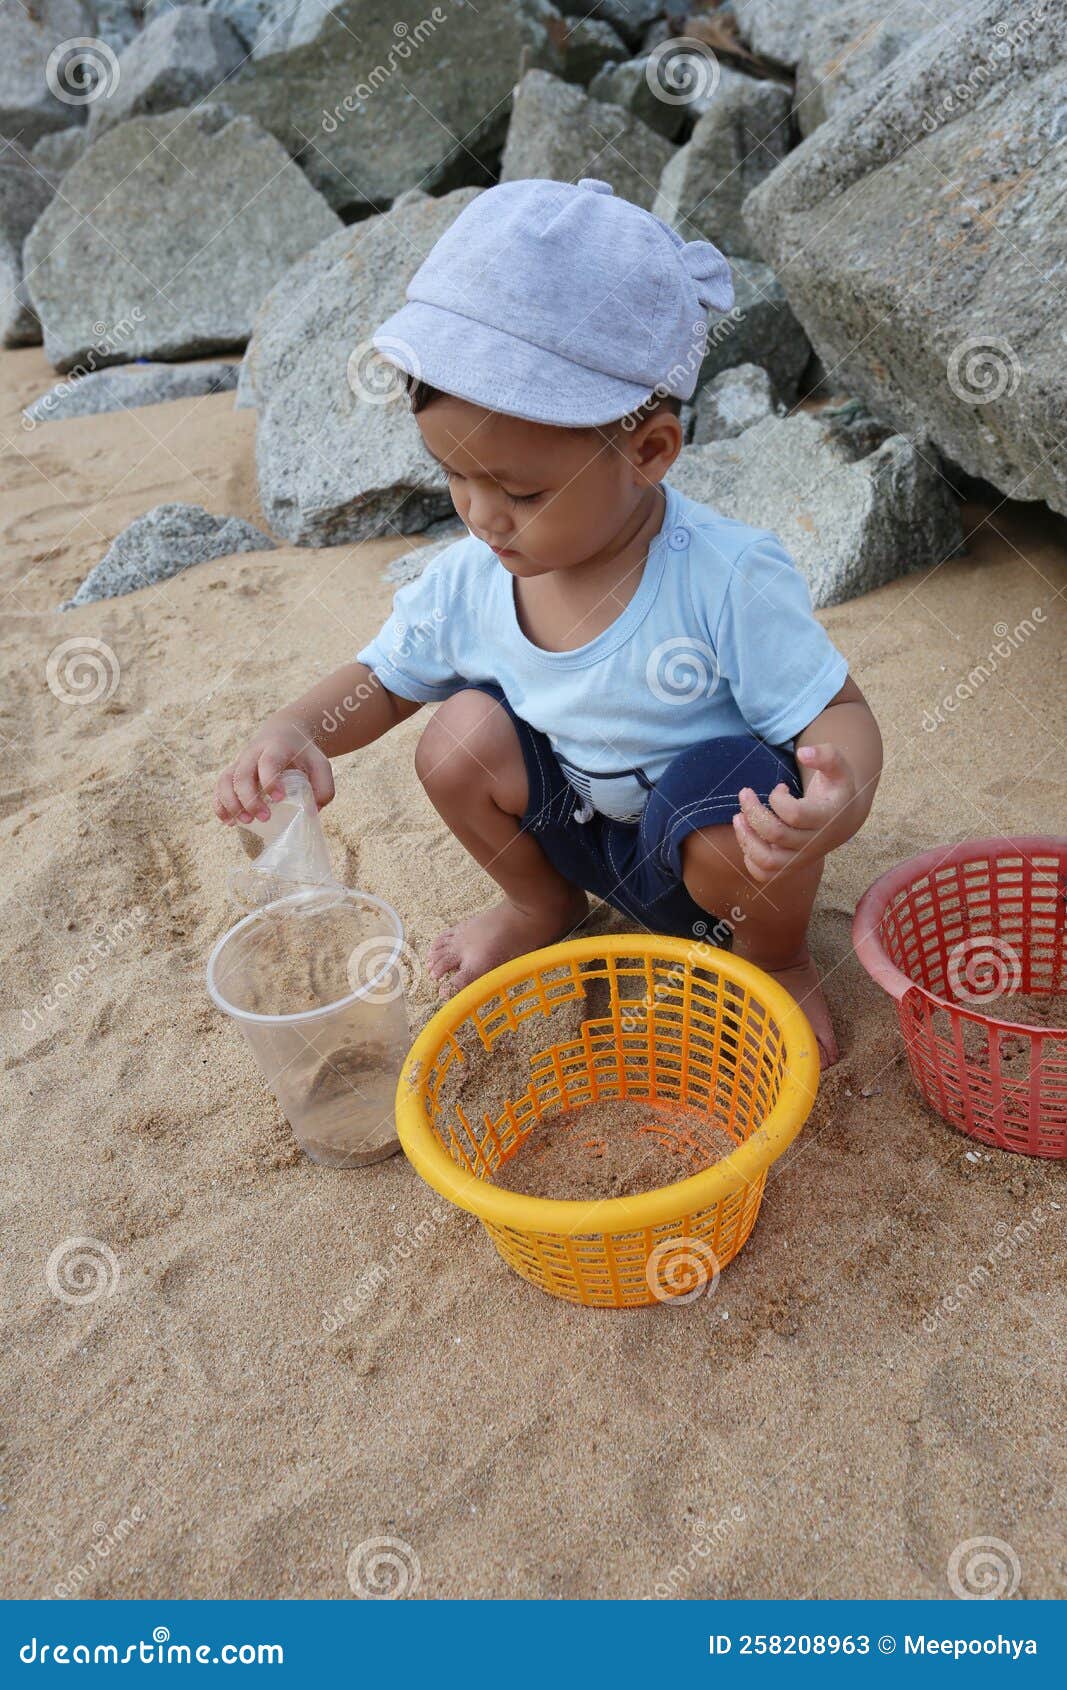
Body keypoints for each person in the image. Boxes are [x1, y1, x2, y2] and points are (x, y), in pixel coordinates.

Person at [214, 178, 883, 1068]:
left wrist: (835, 801)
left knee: (718, 786)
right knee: (457, 737)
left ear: (648, 452)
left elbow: (835, 713)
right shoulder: (472, 579)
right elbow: (384, 678)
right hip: (580, 835)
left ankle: (778, 963)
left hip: (724, 866)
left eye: (522, 491)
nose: (482, 516)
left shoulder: (723, 575)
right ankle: (540, 905)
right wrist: (299, 727)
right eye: (452, 475)